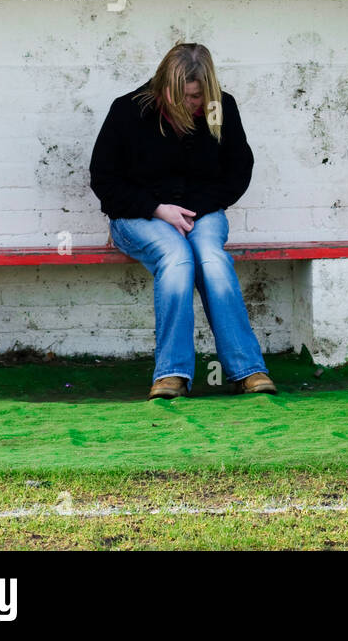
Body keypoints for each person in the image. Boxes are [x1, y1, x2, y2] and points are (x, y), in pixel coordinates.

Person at [88, 43, 275, 399]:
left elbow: (238, 171)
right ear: (168, 87)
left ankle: (248, 370)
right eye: (189, 97)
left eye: (202, 97)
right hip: (139, 216)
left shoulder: (220, 107)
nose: (197, 105)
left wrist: (194, 209)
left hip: (201, 213)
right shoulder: (128, 110)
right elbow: (104, 180)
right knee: (177, 258)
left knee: (212, 259)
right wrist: (158, 208)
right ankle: (171, 374)